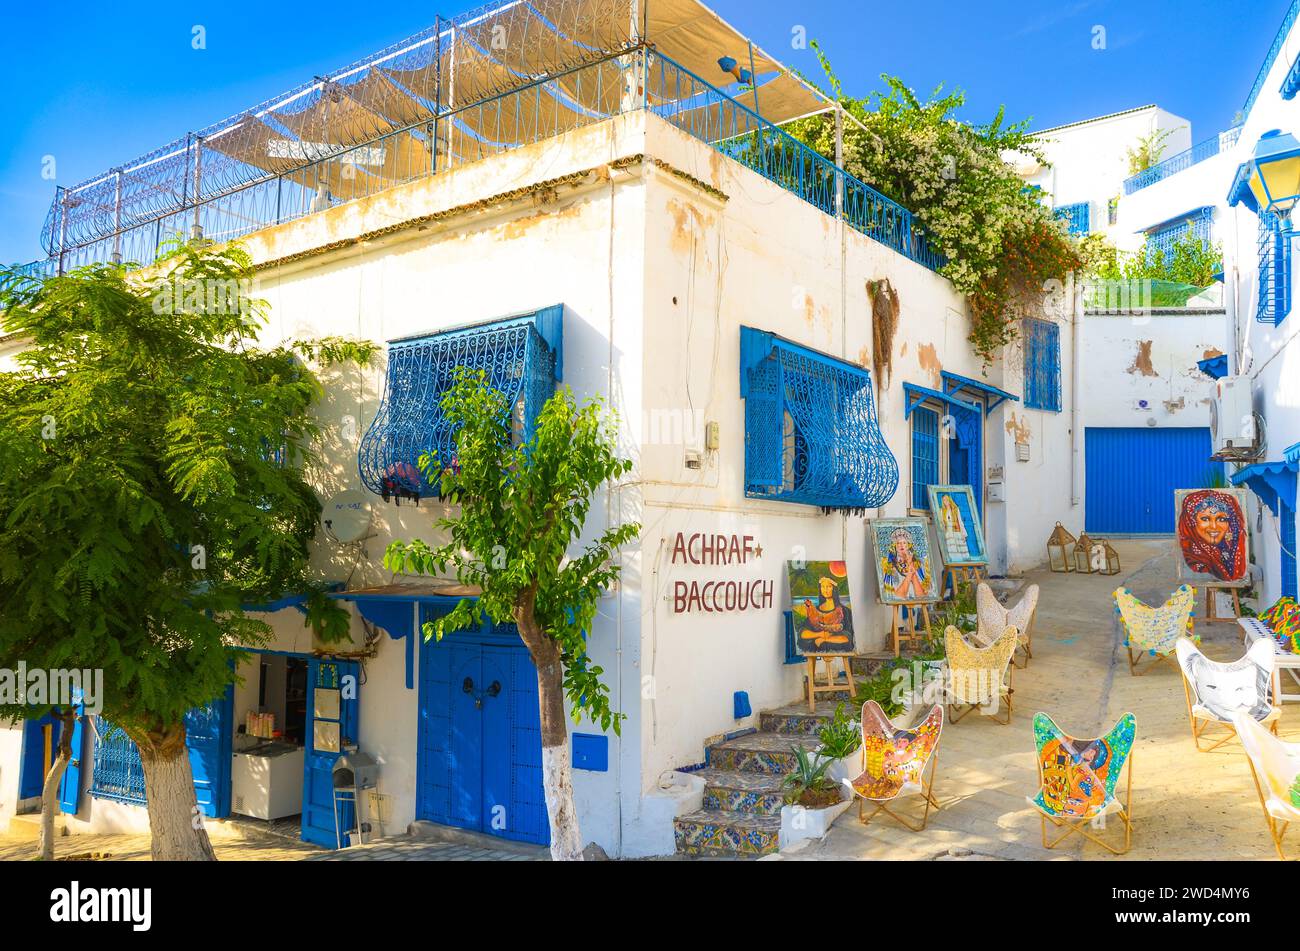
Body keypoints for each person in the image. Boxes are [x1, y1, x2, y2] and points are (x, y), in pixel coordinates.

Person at [1177, 490, 1246, 582]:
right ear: (1191, 522)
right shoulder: (1193, 558)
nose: (1214, 526)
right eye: (1205, 519)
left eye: (1221, 519)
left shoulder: (1232, 549)